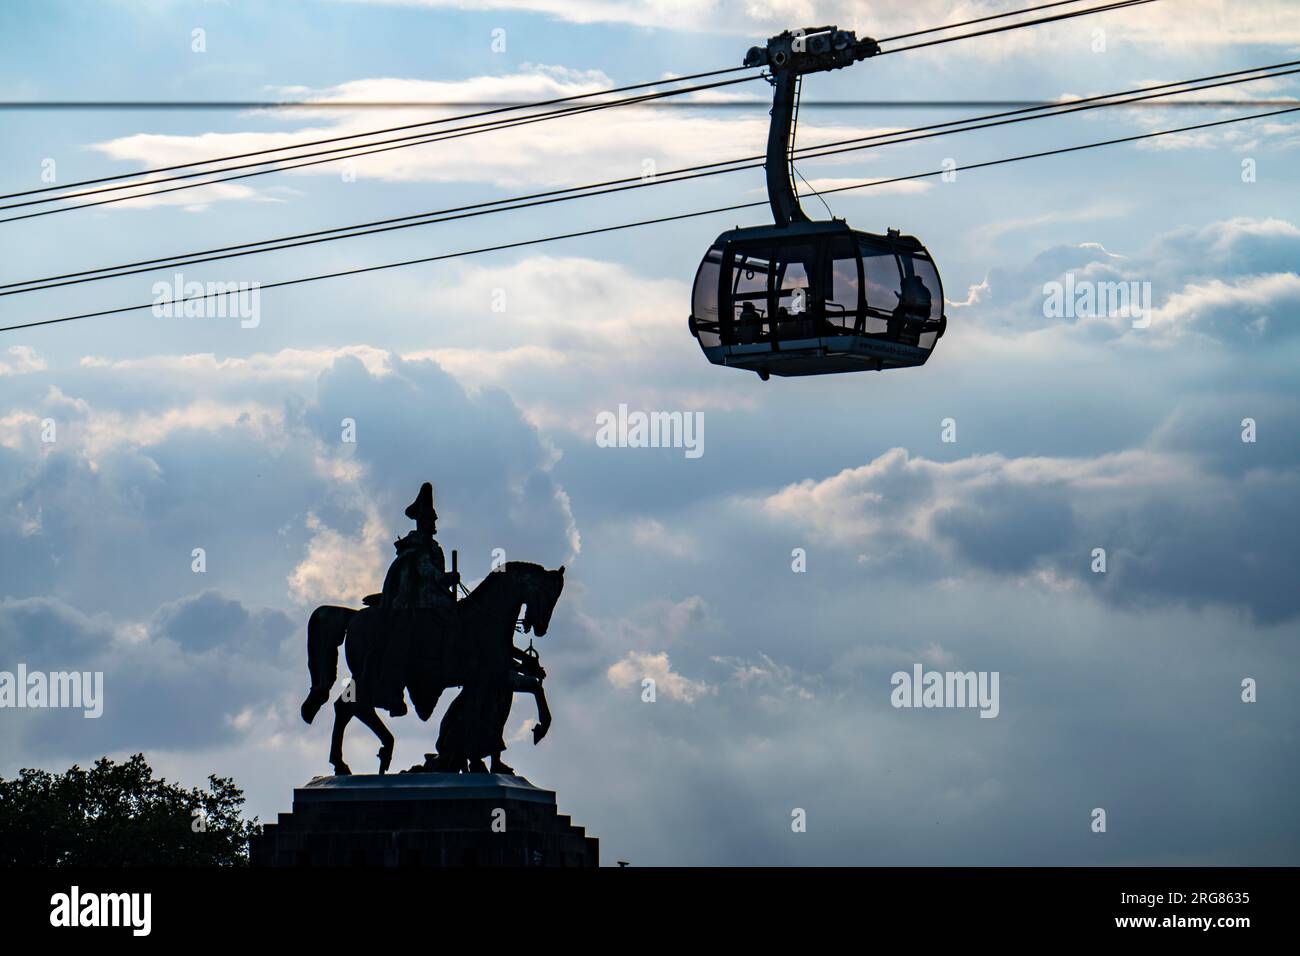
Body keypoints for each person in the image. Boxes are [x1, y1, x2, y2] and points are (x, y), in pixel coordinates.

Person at [373, 482, 458, 716]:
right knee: (406, 639)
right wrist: (446, 578)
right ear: (422, 522)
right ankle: (391, 689)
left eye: (434, 520)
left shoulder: (433, 546)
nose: (433, 524)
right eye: (430, 520)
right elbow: (425, 572)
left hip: (434, 599)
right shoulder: (418, 547)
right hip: (417, 602)